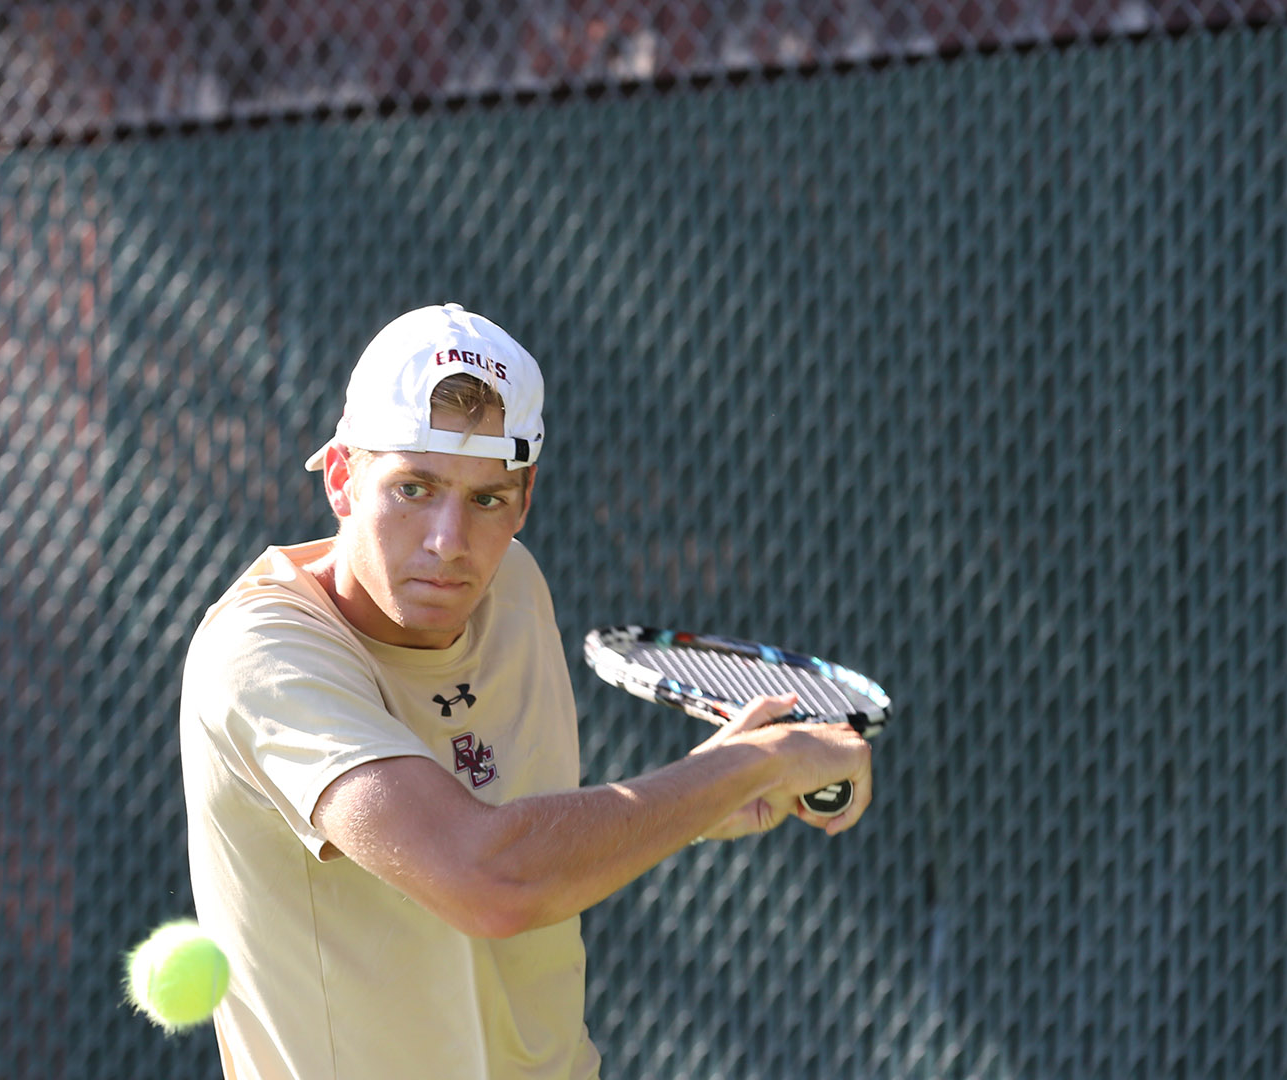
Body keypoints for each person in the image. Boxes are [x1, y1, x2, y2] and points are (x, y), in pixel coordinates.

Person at [179, 303, 872, 1079]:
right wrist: (745, 768)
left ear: (525, 499)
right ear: (343, 478)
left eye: (487, 499)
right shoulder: (263, 656)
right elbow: (491, 879)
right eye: (414, 488)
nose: (449, 541)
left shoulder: (513, 588)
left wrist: (704, 801)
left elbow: (522, 828)